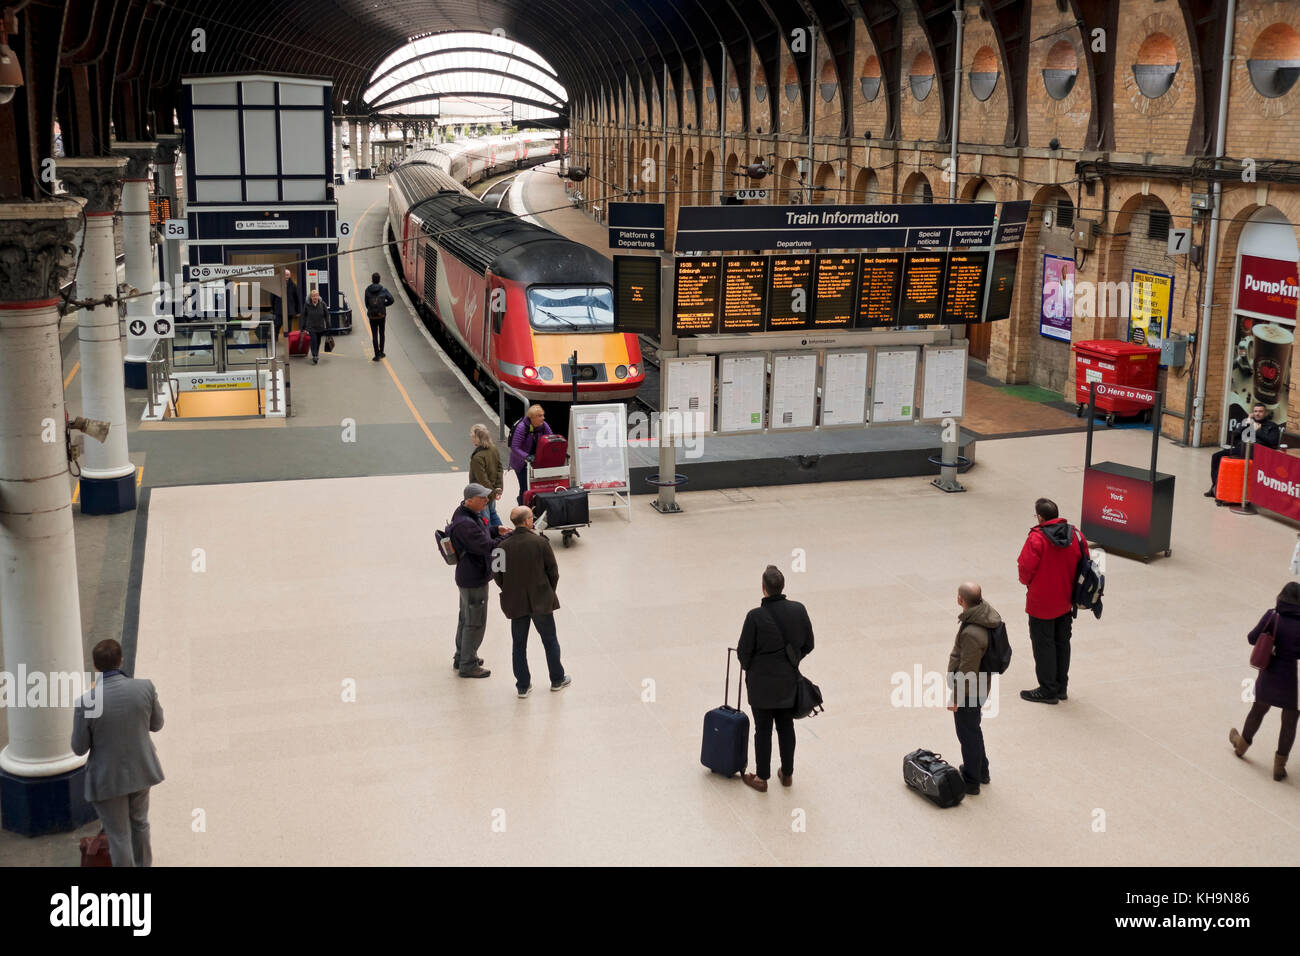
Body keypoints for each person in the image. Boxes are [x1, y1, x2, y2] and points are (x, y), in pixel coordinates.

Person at [69, 639, 165, 867]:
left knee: (119, 835)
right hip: (142, 769)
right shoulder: (145, 688)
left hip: (107, 779)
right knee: (140, 823)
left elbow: (79, 747)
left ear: (95, 666)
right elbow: (157, 724)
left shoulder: (87, 702)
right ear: (121, 659)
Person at [736, 565, 814, 792]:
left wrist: (753, 668)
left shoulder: (755, 616)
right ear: (782, 587)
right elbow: (809, 644)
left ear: (763, 588)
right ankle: (787, 774)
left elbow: (743, 652)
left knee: (763, 730)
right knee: (786, 726)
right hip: (788, 683)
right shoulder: (799, 610)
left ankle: (761, 779)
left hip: (761, 686)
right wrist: (793, 660)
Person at [492, 505, 571, 698]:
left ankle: (523, 685)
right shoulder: (541, 542)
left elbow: (496, 575)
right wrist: (549, 591)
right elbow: (553, 571)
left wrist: (509, 589)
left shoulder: (500, 548)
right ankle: (557, 679)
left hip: (515, 601)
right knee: (550, 640)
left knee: (518, 644)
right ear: (527, 521)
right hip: (541, 600)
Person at [1017, 497, 1088, 704]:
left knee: (1043, 644)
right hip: (1067, 600)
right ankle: (1061, 687)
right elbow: (1085, 563)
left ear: (1040, 517)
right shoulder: (1076, 534)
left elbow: (1025, 571)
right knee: (1062, 642)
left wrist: (1029, 582)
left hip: (1041, 603)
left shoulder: (1036, 539)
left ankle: (1047, 689)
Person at [1230, 581, 1300, 781]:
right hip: (1297, 681)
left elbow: (1252, 638)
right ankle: (1279, 767)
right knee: (1290, 722)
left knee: (1258, 710)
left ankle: (1241, 746)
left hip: (1271, 674)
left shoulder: (1273, 616)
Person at [449, 483, 511, 678]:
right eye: (482, 498)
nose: (486, 500)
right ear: (470, 500)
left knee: (466, 618)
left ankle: (462, 656)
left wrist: (495, 530)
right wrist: (509, 536)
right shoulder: (465, 524)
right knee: (475, 621)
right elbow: (487, 547)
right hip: (473, 578)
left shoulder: (467, 514)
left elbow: (482, 535)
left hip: (469, 575)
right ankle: (468, 664)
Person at [947, 582, 1000, 796]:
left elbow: (967, 669)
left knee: (967, 733)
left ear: (960, 599)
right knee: (973, 729)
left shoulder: (972, 633)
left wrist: (956, 697)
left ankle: (971, 780)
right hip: (981, 684)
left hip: (970, 690)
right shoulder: (984, 614)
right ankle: (982, 770)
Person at [1207, 402, 1282, 500]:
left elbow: (1273, 441)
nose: (1257, 414)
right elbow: (1234, 436)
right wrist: (1245, 423)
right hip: (1241, 449)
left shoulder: (1272, 426)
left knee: (1243, 457)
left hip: (1258, 452)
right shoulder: (1248, 422)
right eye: (1255, 411)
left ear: (1265, 413)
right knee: (1216, 456)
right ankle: (1215, 486)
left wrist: (1257, 431)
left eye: (1260, 411)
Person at [508, 404, 553, 505]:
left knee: (536, 486)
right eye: (540, 416)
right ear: (532, 418)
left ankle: (533, 508)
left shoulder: (543, 425)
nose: (543, 418)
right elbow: (515, 448)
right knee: (525, 487)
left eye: (543, 415)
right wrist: (527, 457)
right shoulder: (521, 428)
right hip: (521, 462)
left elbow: (551, 439)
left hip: (536, 460)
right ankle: (522, 508)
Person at [469, 424, 505, 529]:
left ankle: (489, 540)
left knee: (485, 518)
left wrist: (491, 493)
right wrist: (498, 488)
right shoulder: (494, 449)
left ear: (477, 438)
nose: (472, 439)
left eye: (472, 436)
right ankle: (503, 534)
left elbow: (482, 479)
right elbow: (499, 469)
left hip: (482, 493)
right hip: (492, 489)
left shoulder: (478, 457)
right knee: (493, 513)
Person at [363, 271, 395, 361]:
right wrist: (384, 305)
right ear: (379, 280)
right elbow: (392, 300)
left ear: (372, 280)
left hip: (372, 316)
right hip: (381, 315)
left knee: (374, 334)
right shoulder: (383, 289)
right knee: (381, 333)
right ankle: (381, 352)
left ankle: (376, 355)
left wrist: (371, 309)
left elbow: (366, 303)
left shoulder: (367, 290)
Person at [301, 288, 329, 364]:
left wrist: (328, 325)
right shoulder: (307, 305)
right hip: (311, 326)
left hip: (320, 326)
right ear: (311, 297)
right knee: (313, 341)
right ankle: (314, 355)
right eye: (313, 296)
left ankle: (316, 353)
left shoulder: (322, 304)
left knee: (318, 341)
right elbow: (304, 316)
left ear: (318, 296)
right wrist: (302, 327)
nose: (315, 297)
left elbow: (326, 315)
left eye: (316, 296)